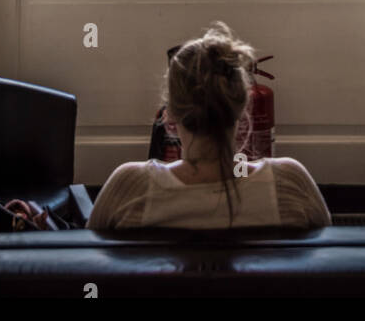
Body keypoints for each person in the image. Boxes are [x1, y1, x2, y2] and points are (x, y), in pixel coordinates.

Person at [88, 21, 331, 230]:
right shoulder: (289, 184)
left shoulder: (130, 187)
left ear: (169, 114)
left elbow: (87, 258)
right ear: (243, 106)